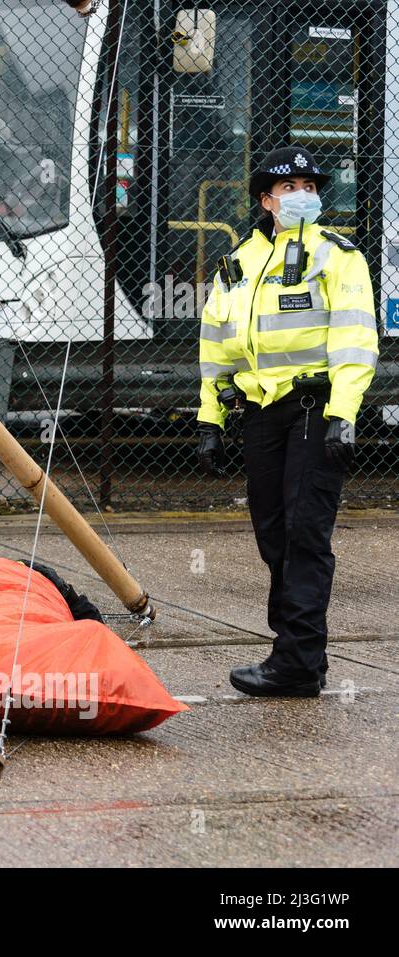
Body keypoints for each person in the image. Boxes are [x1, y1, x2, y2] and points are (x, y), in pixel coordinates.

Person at [197, 146, 378, 698]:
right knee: (273, 532)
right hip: (260, 415)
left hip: (314, 409)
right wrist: (211, 416)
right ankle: (295, 655)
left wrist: (343, 413)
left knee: (305, 534)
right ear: (265, 200)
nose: (303, 194)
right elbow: (217, 345)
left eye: (310, 184)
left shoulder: (338, 256)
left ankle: (297, 661)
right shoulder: (239, 262)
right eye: (290, 186)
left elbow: (354, 340)